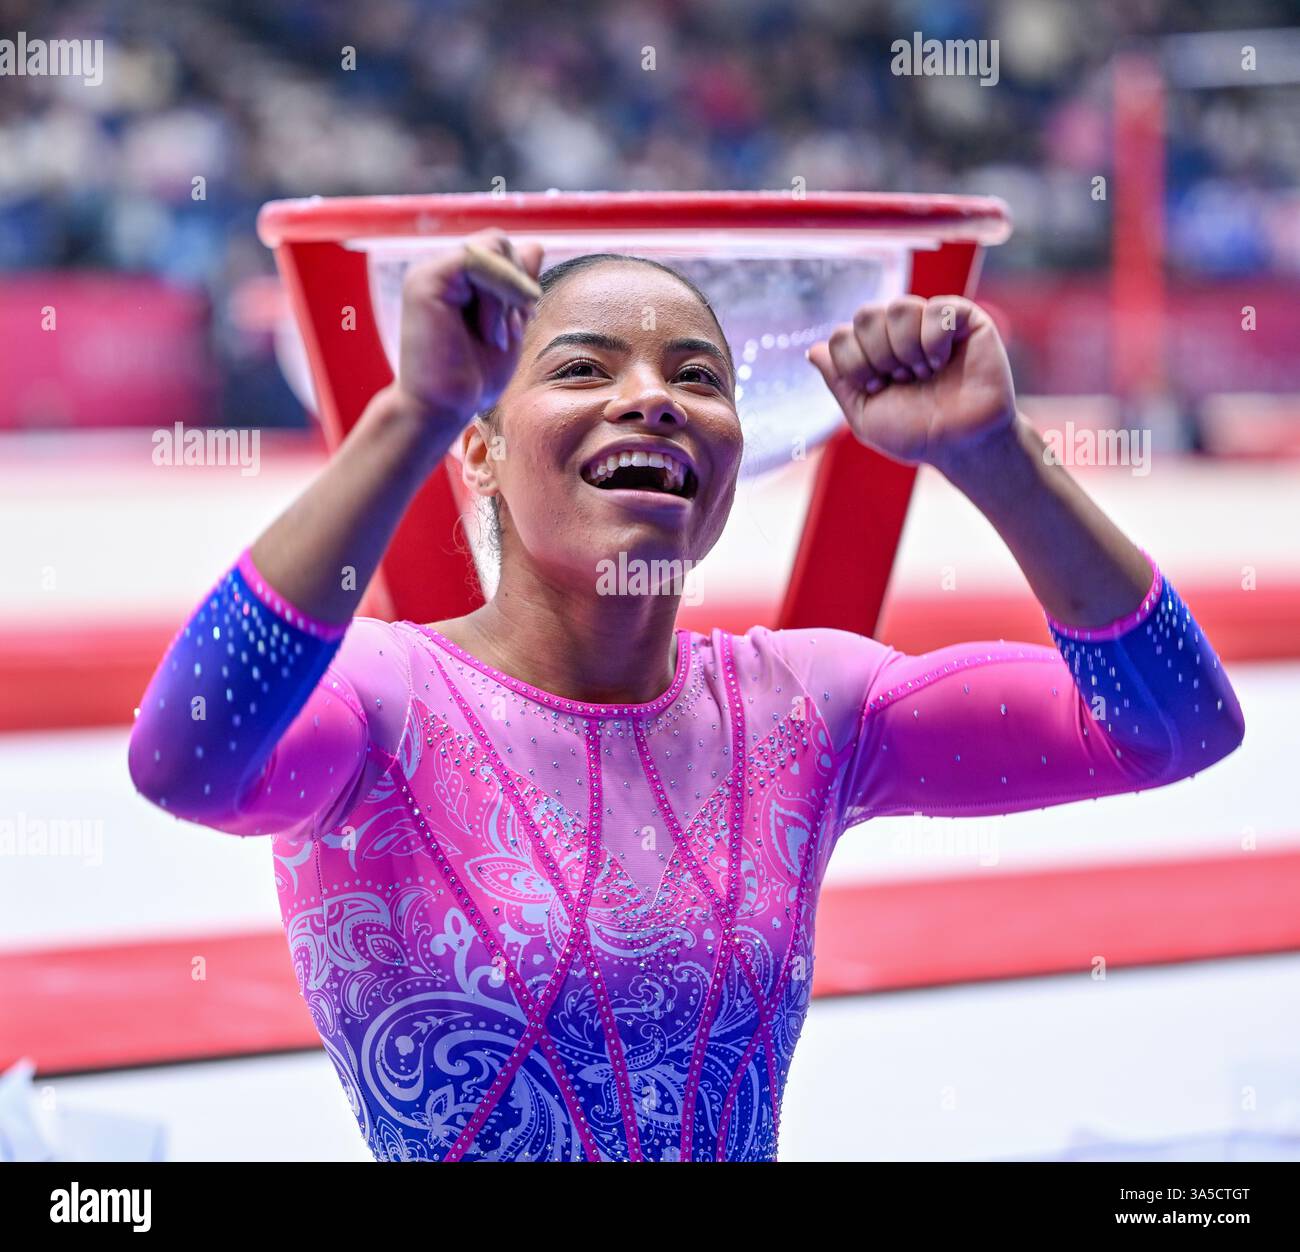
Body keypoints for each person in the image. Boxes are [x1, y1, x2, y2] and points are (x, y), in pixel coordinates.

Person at [128, 230, 1245, 1162]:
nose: (650, 398)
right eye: (581, 368)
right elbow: (183, 759)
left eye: (697, 377)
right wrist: (406, 414)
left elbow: (1172, 728)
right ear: (479, 452)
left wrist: (998, 456)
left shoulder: (804, 704)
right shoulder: (385, 697)